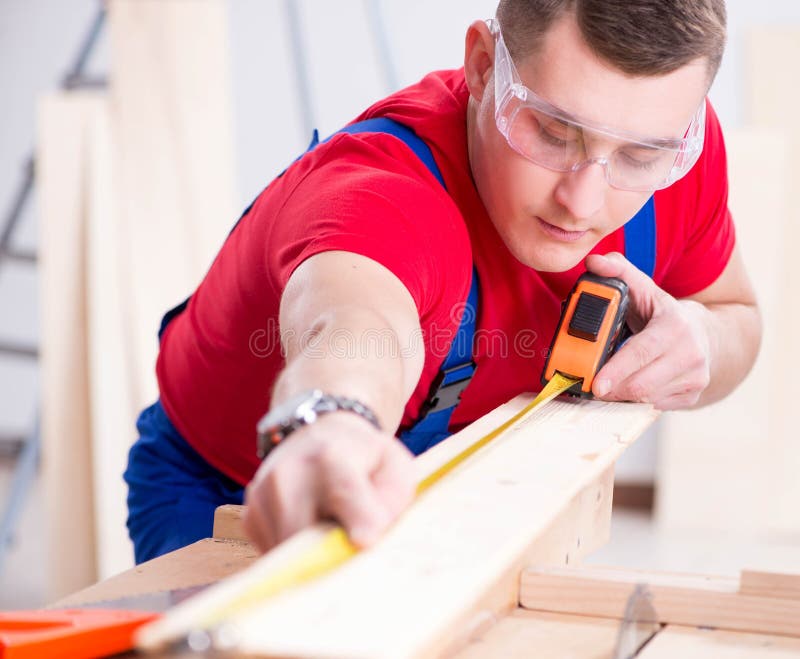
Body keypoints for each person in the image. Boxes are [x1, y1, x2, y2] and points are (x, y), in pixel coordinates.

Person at [124, 0, 761, 563]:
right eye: (554, 131)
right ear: (484, 66)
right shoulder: (385, 193)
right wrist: (334, 418)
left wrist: (702, 340)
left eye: (641, 156)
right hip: (232, 495)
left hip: (451, 482)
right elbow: (356, 323)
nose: (583, 200)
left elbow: (735, 315)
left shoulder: (680, 155)